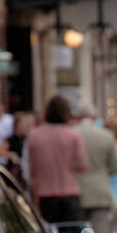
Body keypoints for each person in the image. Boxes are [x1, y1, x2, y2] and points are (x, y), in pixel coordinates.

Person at [74, 98, 117, 233]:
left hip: (78, 191)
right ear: (93, 117)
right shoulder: (106, 136)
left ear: (77, 116)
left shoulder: (72, 135)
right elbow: (114, 167)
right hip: (100, 191)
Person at [26, 94, 88, 223]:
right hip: (69, 191)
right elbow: (82, 165)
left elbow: (32, 169)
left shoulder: (34, 135)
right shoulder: (73, 134)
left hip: (45, 194)